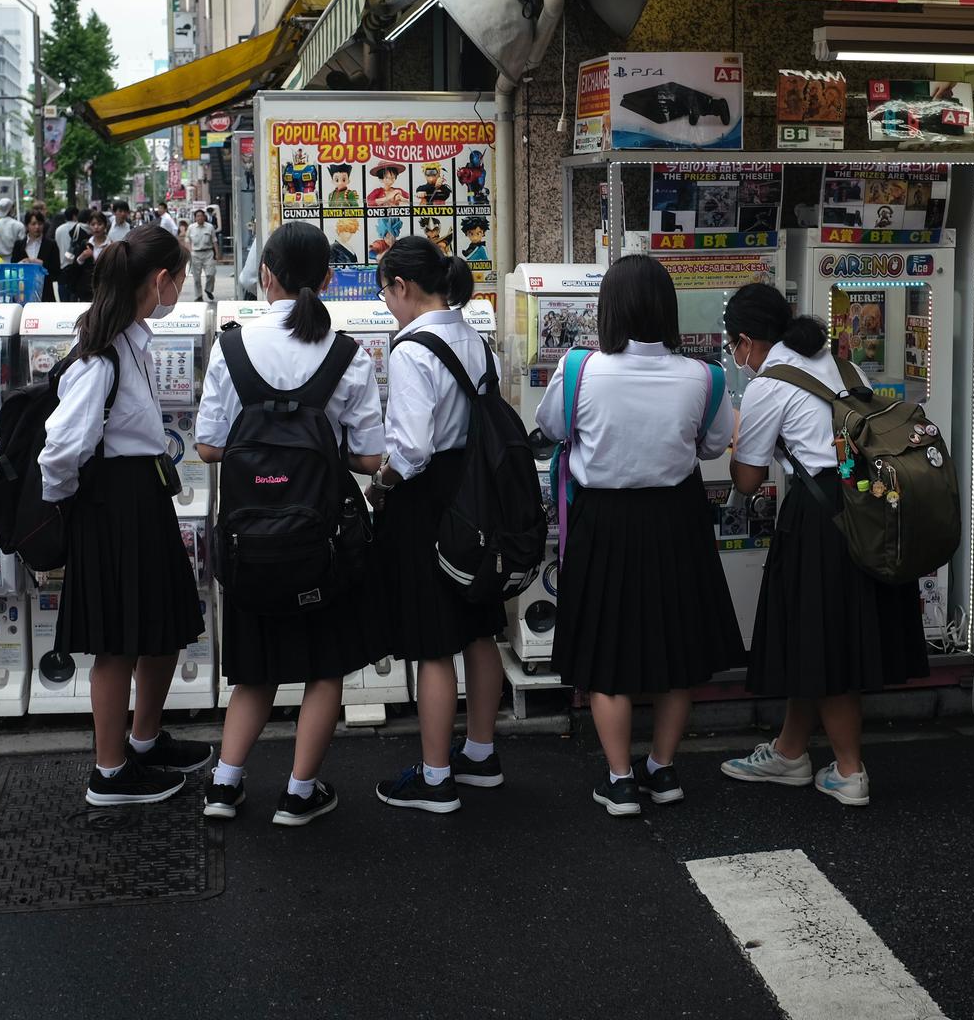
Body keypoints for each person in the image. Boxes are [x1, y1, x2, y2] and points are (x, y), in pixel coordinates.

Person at [534, 256, 744, 817]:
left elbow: (552, 428)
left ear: (609, 309)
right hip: (677, 521)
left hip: (604, 521)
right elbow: (711, 444)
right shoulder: (705, 375)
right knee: (678, 647)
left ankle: (621, 778)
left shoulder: (579, 369)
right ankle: (664, 768)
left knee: (607, 650)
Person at [195, 224, 385, 826]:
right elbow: (371, 456)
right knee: (323, 668)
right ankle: (300, 794)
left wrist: (262, 452)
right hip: (322, 542)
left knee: (255, 669)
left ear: (267, 275)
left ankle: (225, 786)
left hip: (249, 542)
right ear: (328, 279)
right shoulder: (347, 354)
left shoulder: (231, 348)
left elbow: (207, 447)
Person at [719, 283, 929, 808]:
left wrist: (736, 435)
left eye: (733, 346)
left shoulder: (771, 383)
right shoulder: (839, 364)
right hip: (869, 505)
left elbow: (747, 479)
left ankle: (850, 769)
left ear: (746, 341)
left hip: (822, 516)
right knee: (814, 636)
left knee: (828, 638)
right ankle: (791, 752)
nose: (734, 356)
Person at [38, 226, 208, 806]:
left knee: (160, 630)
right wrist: (69, 505)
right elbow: (61, 448)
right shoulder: (102, 355)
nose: (182, 288)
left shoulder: (135, 339)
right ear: (160, 281)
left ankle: (144, 740)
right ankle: (108, 772)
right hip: (112, 508)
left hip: (140, 500)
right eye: (181, 279)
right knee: (118, 643)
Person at [366, 236, 506, 814]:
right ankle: (479, 753)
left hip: (428, 502)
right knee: (478, 627)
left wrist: (383, 483)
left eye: (386, 295)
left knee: (432, 643)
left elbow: (413, 447)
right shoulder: (474, 339)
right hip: (476, 496)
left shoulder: (410, 349)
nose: (388, 306)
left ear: (402, 287)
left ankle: (435, 777)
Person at [10, 209, 61, 302]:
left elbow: (57, 271)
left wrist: (42, 264)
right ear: (27, 226)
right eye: (33, 224)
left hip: (46, 294)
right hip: (23, 293)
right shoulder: (19, 245)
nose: (37, 227)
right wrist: (21, 263)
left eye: (40, 223)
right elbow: (13, 270)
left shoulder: (51, 244)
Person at [188, 208, 219, 301]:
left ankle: (208, 290)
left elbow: (214, 241)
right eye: (197, 216)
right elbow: (187, 241)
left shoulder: (210, 227)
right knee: (196, 278)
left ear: (204, 217)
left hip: (208, 253)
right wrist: (189, 252)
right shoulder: (191, 228)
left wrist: (217, 253)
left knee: (211, 274)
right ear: (195, 218)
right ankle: (199, 296)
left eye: (201, 216)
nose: (200, 218)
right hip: (195, 254)